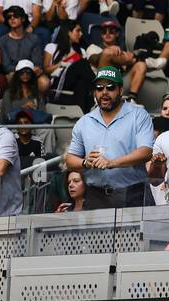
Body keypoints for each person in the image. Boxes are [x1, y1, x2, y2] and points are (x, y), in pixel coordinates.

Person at [66, 64, 156, 207]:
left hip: (132, 193)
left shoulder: (138, 115)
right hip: (95, 194)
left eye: (110, 87)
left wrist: (111, 163)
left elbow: (146, 152)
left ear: (120, 90)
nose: (104, 92)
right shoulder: (84, 122)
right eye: (99, 88)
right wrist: (85, 163)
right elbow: (70, 160)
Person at [43, 18, 97, 108]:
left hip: (75, 83)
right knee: (83, 63)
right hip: (58, 80)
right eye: (78, 31)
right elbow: (46, 70)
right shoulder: (52, 47)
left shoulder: (81, 51)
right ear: (69, 32)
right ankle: (98, 88)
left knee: (82, 83)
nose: (81, 34)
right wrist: (62, 63)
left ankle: (82, 112)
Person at [0, 7, 45, 85]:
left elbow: (37, 63)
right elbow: (7, 66)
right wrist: (22, 71)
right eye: (9, 17)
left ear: (23, 19)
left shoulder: (34, 39)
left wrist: (29, 71)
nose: (12, 18)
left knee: (44, 82)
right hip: (14, 72)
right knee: (11, 77)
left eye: (16, 16)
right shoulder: (2, 41)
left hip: (31, 72)